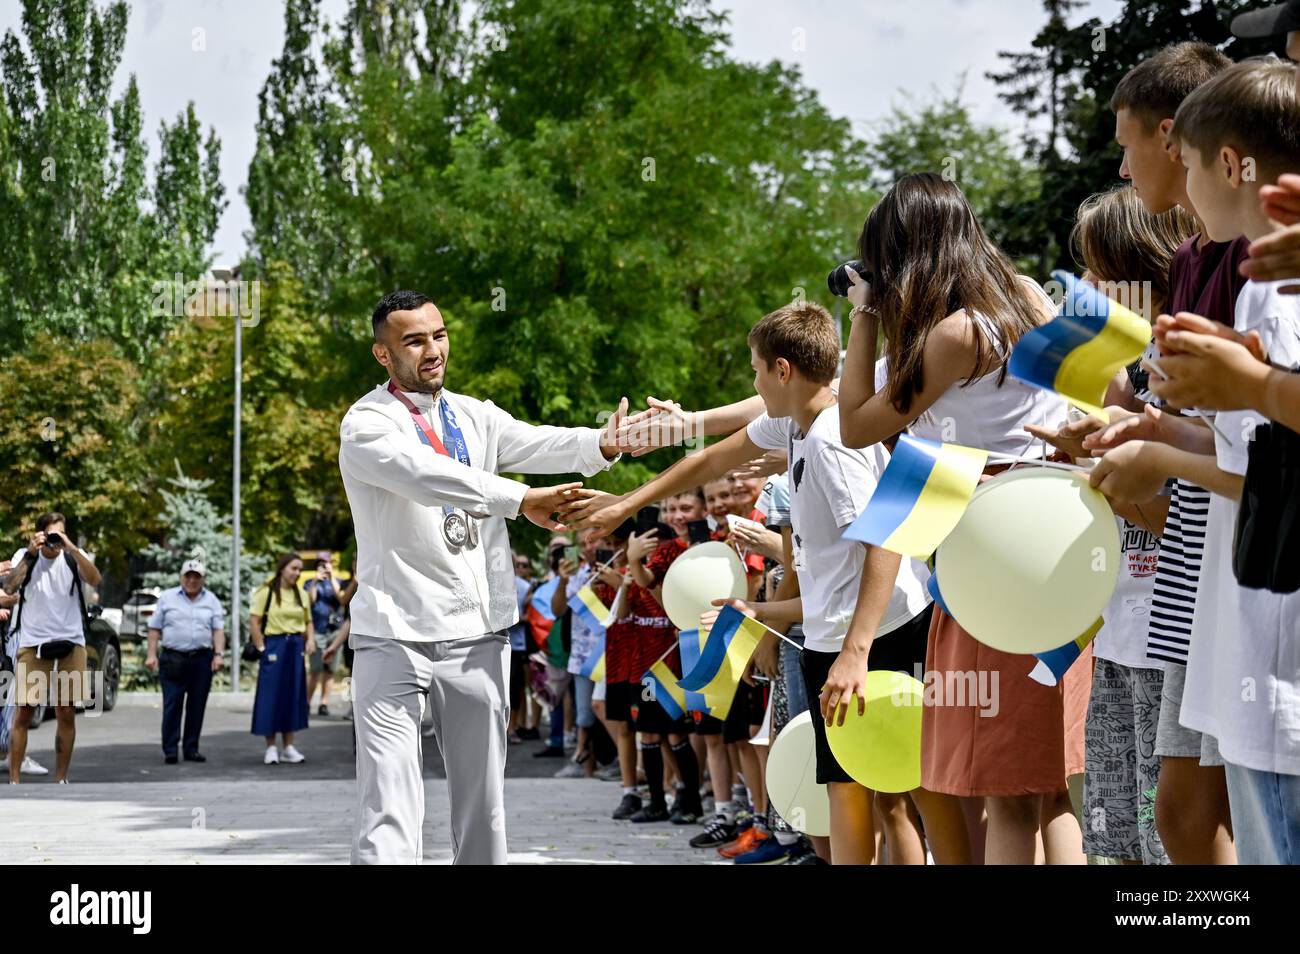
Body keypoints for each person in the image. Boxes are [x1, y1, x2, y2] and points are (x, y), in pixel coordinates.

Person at [1091, 58, 1300, 864]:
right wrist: (1156, 438)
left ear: (1225, 162)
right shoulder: (1257, 285)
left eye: (1188, 159)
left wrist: (1166, 450)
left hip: (1272, 643)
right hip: (1246, 629)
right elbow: (1248, 450)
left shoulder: (1267, 289)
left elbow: (1264, 475)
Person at [338, 289, 624, 864]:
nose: (432, 349)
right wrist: (520, 499)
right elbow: (427, 475)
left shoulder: (475, 415)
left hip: (476, 637)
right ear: (382, 354)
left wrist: (602, 442)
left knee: (484, 811)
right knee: (389, 807)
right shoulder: (366, 423)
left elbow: (541, 440)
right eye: (413, 340)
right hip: (393, 635)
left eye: (438, 334)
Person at [1083, 42, 1242, 865]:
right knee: (1176, 815)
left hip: (1245, 590)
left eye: (1125, 139)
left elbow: (1249, 450)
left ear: (1174, 136)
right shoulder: (1197, 263)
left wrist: (1153, 447)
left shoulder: (1259, 269)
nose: (1121, 160)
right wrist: (1133, 433)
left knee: (1229, 812)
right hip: (1192, 584)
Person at [3, 512, 100, 784]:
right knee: (24, 710)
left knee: (66, 710)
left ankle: (61, 779)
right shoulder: (26, 554)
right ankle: (14, 780)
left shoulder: (71, 556)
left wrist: (71, 547)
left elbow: (95, 580)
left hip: (71, 640)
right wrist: (32, 554)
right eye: (51, 534)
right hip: (33, 642)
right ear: (40, 534)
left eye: (60, 533)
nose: (54, 540)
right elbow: (9, 587)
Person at [145, 559, 226, 764]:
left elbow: (218, 630)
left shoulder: (212, 600)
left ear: (202, 579)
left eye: (196, 577)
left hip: (201, 659)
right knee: (172, 705)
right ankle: (170, 749)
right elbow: (155, 629)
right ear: (182, 577)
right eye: (188, 576)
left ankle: (191, 748)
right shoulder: (168, 598)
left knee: (197, 706)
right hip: (173, 658)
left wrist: (219, 655)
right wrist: (151, 654)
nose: (192, 580)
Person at [249, 553, 315, 765]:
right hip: (274, 645)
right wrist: (261, 647)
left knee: (292, 695)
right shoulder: (266, 592)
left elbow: (308, 621)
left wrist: (310, 639)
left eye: (299, 570)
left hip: (295, 646)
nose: (297, 573)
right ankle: (270, 747)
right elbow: (254, 621)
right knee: (270, 696)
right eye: (293, 568)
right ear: (282, 569)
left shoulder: (301, 594)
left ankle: (288, 746)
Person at [305, 552, 343, 716]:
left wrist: (331, 575)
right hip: (317, 630)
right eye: (321, 563)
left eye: (327, 563)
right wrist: (315, 580)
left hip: (334, 631)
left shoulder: (338, 581)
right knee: (315, 669)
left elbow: (341, 598)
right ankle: (306, 703)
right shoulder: (310, 583)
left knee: (329, 670)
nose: (324, 566)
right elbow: (310, 601)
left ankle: (324, 703)